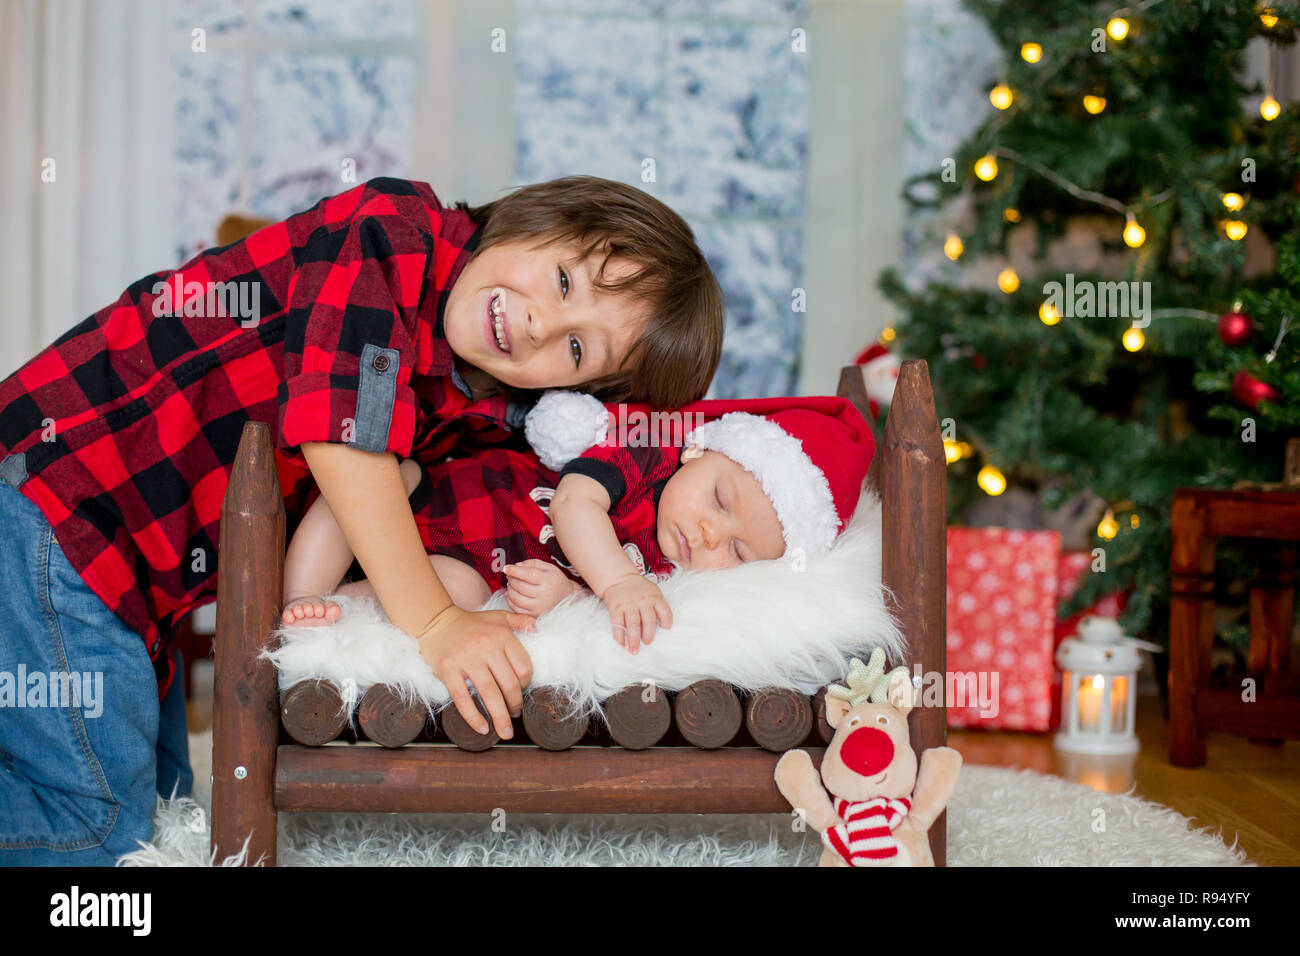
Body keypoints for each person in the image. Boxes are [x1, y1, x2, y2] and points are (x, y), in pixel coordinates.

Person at [0, 175, 724, 865]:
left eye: (575, 349)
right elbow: (346, 436)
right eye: (565, 282)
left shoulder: (481, 402)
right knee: (95, 830)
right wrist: (437, 624)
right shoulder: (390, 232)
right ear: (541, 219)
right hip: (58, 502)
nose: (542, 323)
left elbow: (532, 499)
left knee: (168, 814)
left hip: (133, 585)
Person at [281, 394, 874, 658]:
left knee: (456, 595)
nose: (711, 534)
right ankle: (298, 594)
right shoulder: (644, 455)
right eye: (719, 498)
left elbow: (594, 611)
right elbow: (573, 507)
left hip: (463, 564)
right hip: (439, 496)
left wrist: (572, 594)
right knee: (370, 482)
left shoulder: (673, 573)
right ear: (699, 450)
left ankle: (332, 609)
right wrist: (617, 583)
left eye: (740, 551)